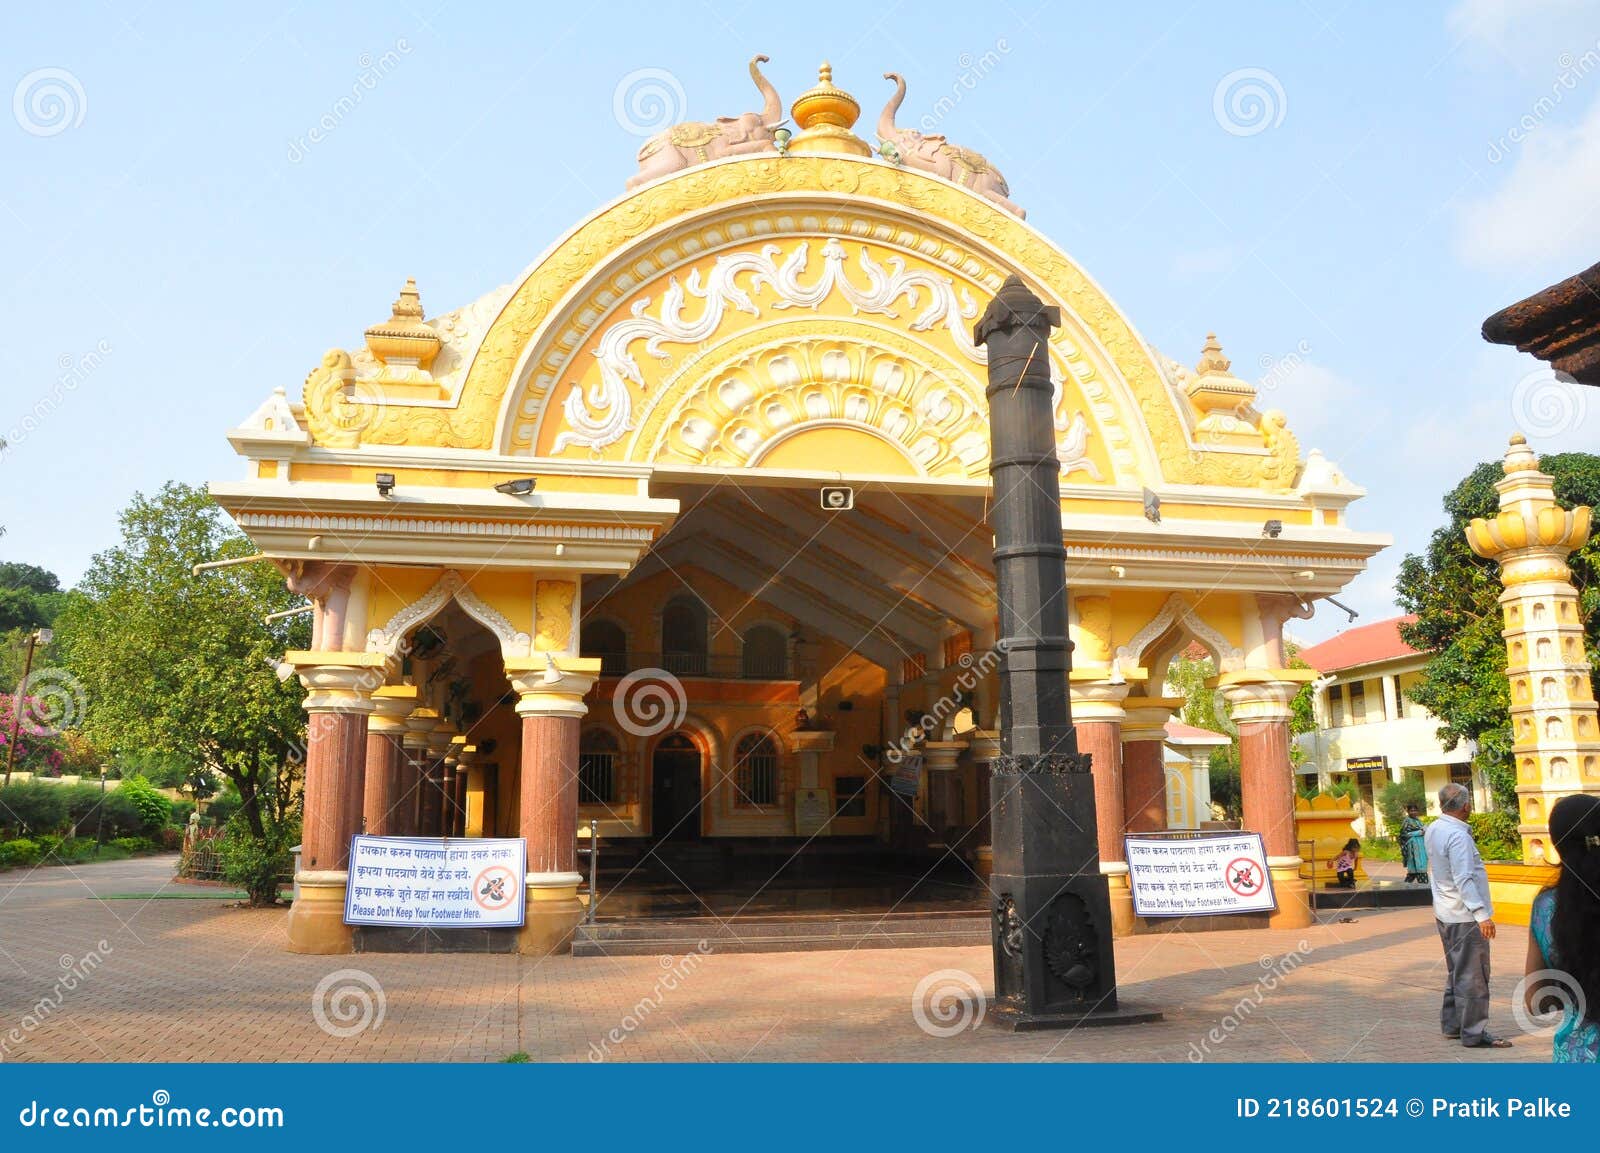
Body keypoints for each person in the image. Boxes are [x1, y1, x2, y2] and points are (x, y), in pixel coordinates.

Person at [1423, 782, 1510, 1048]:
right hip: (1464, 916)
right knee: (1473, 975)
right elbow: (1464, 878)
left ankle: (1453, 1025)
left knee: (1457, 971)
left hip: (1446, 912)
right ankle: (1473, 1033)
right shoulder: (1458, 836)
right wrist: (1482, 915)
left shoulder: (1434, 829)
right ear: (1466, 806)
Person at [1524, 793, 1600, 1063]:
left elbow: (1535, 1001)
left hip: (1576, 1057)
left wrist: (1577, 992)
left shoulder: (1545, 907)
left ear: (1557, 844)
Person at [1400, 802, 1429, 884]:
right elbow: (1403, 834)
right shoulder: (1407, 821)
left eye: (1415, 810)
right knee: (1417, 868)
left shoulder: (1418, 821)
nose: (1413, 812)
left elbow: (1423, 830)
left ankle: (1405, 887)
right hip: (1412, 847)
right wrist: (1419, 832)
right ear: (1408, 811)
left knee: (1416, 870)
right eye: (1411, 811)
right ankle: (1423, 887)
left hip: (1421, 847)